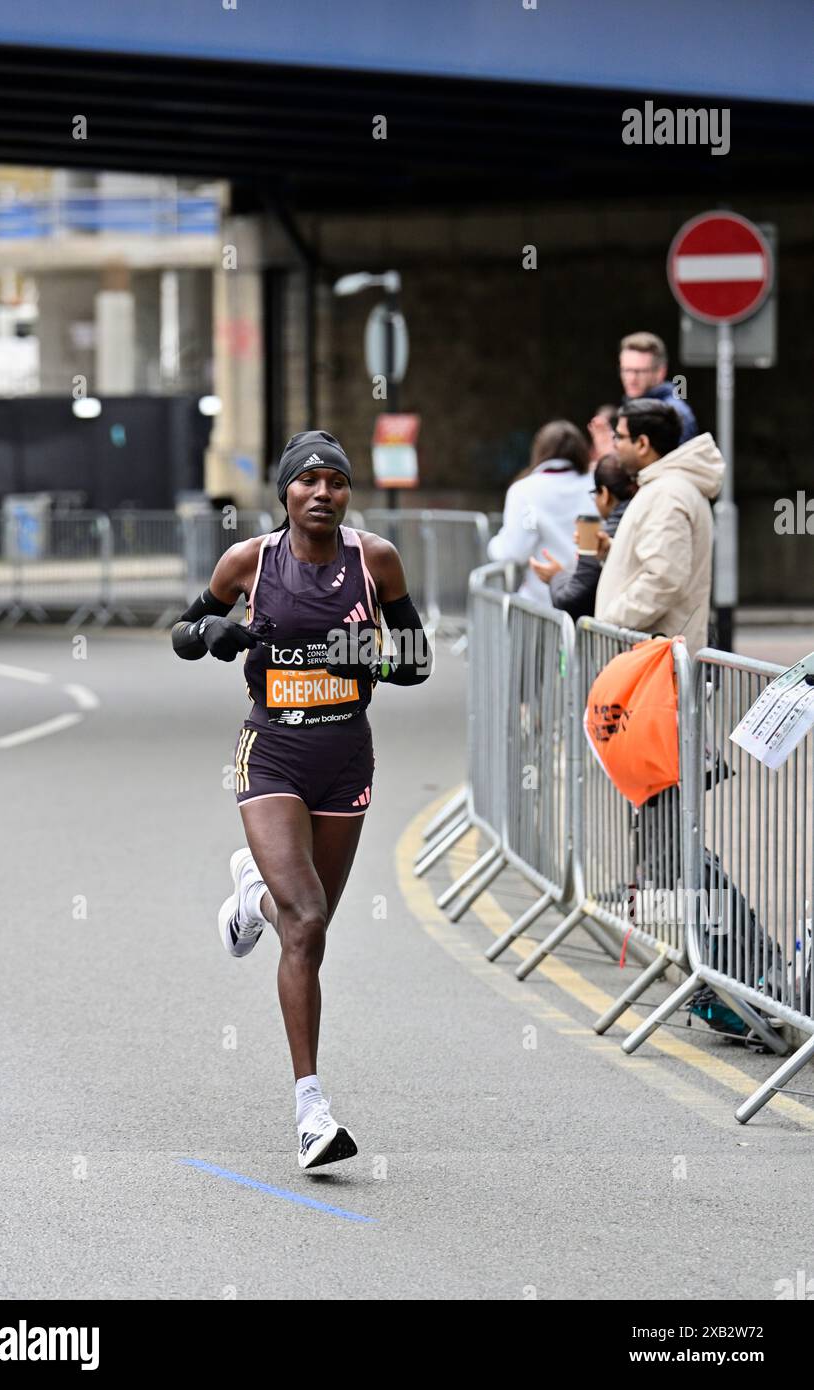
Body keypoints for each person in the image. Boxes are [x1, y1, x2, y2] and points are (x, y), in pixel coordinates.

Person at [171, 430, 432, 1172]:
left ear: (349, 494)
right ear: (285, 493)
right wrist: (214, 631)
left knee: (303, 932)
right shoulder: (248, 561)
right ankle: (311, 1110)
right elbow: (182, 634)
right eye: (308, 481)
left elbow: (417, 661)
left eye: (337, 482)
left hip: (346, 757)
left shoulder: (374, 561)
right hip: (273, 754)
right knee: (308, 917)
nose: (323, 493)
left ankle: (248, 900)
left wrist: (365, 656)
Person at [594, 399, 725, 653]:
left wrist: (610, 621)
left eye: (620, 437)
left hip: (655, 663)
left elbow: (665, 579)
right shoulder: (666, 488)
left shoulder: (667, 494)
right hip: (655, 658)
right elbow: (664, 566)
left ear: (642, 444)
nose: (614, 446)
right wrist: (614, 553)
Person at [487, 420, 594, 606]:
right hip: (589, 599)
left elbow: (514, 550)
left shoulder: (524, 489)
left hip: (541, 602)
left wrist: (493, 545)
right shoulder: (594, 484)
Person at [528, 453, 636, 621]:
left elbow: (572, 599)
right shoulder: (644, 514)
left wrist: (556, 576)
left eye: (595, 494)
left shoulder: (604, 535)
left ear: (605, 494)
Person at [590, 331, 697, 455]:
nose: (631, 378)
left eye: (639, 371)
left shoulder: (674, 414)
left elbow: (670, 470)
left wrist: (612, 458)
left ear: (660, 372)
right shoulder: (634, 406)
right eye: (626, 370)